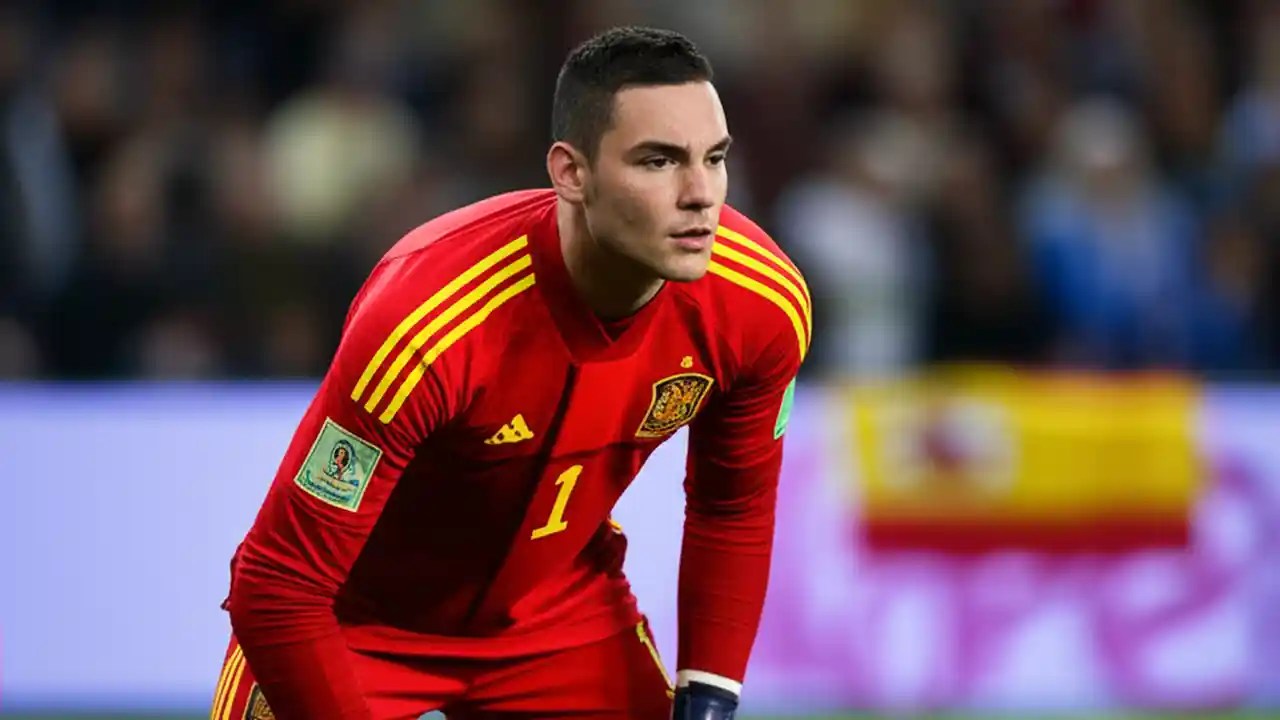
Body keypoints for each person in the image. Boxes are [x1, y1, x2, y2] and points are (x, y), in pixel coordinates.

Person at [211, 25, 811, 720]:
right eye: (658, 162)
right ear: (570, 173)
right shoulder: (427, 324)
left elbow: (732, 508)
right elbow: (278, 583)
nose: (701, 194)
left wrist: (709, 699)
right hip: (353, 628)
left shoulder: (760, 304)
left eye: (714, 158)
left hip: (556, 619)